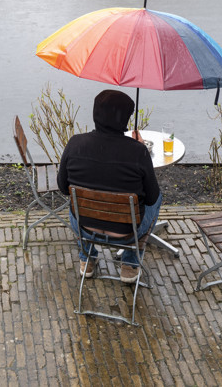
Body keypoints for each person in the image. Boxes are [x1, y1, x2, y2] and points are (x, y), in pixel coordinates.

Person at [57, 89, 162, 284]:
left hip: (84, 228)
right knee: (158, 197)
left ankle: (86, 259)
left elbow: (63, 188)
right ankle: (129, 265)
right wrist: (138, 149)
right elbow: (152, 197)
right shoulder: (138, 152)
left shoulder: (75, 143)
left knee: (75, 202)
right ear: (125, 119)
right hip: (128, 232)